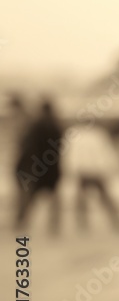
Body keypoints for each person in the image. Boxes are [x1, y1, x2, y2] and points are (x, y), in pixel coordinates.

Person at [64, 120, 119, 232]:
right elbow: (107, 152)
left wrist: (71, 169)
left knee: (83, 200)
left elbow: (70, 154)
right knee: (104, 199)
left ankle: (82, 224)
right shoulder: (99, 134)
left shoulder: (77, 134)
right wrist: (110, 168)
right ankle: (117, 222)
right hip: (96, 171)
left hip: (84, 171)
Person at [14, 97, 63, 234]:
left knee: (30, 196)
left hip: (35, 166)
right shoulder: (56, 125)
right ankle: (54, 226)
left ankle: (22, 223)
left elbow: (29, 148)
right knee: (53, 198)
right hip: (52, 166)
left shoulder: (36, 125)